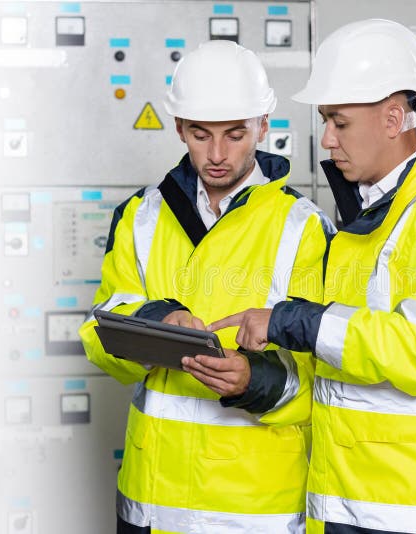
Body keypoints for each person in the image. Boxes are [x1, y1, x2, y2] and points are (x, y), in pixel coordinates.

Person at [210, 19, 416, 534]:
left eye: (340, 122)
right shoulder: (361, 226)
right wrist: (252, 381)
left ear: (394, 118)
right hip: (345, 505)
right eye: (326, 121)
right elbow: (337, 379)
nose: (326, 139)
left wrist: (289, 321)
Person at [79, 40, 333, 534]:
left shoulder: (303, 228)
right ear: (179, 128)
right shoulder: (139, 216)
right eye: (200, 134)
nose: (216, 155)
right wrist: (157, 322)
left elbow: (322, 379)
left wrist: (251, 382)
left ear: (263, 125)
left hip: (254, 512)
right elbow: (98, 335)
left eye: (235, 134)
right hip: (152, 506)